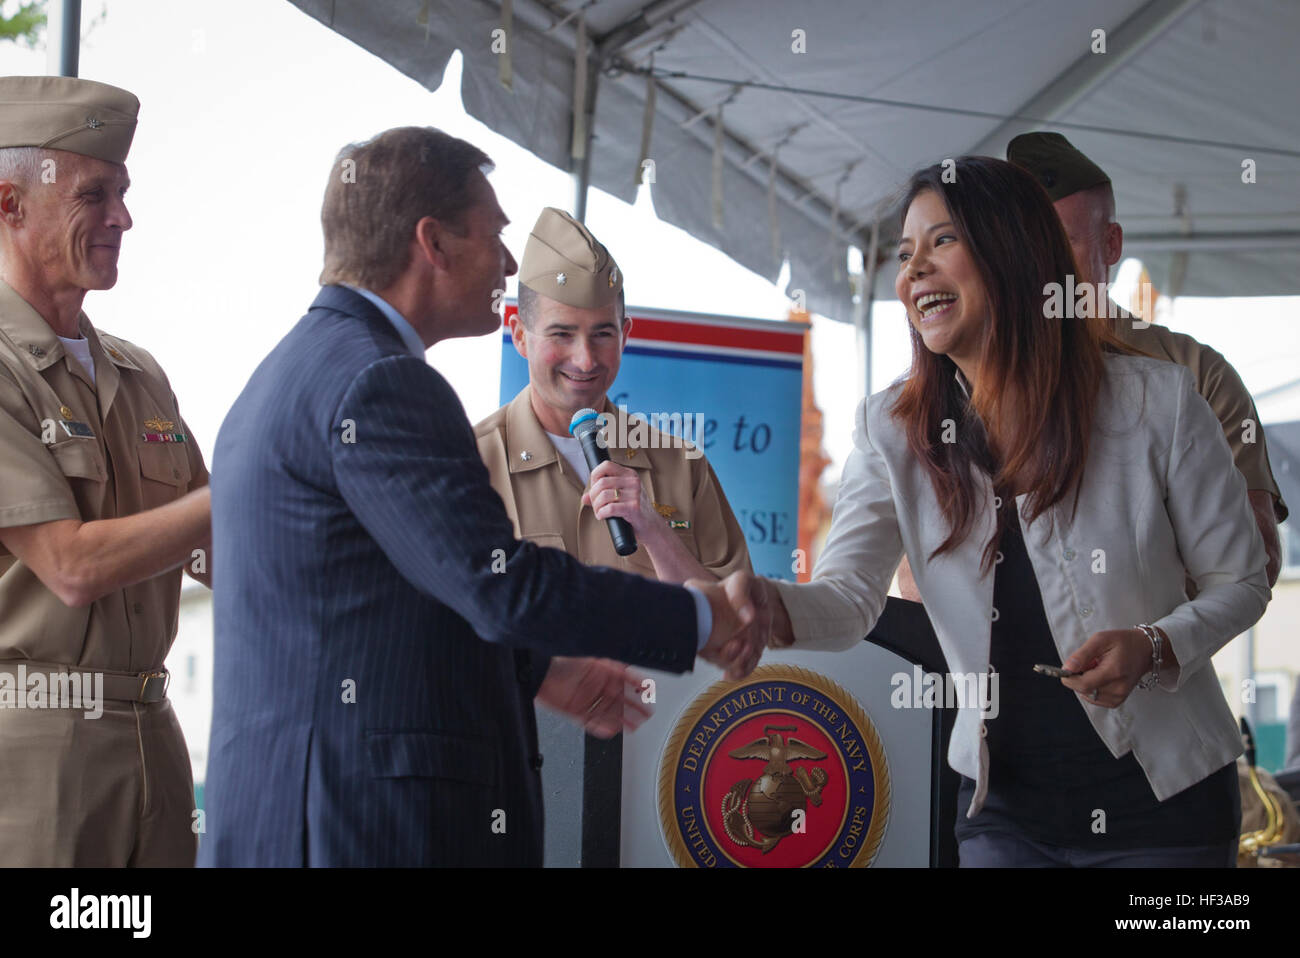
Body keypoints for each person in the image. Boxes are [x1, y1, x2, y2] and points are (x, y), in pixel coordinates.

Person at [199, 127, 764, 868]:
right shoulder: (382, 384)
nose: (504, 261)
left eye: (605, 334)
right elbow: (496, 585)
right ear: (432, 242)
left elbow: (411, 596)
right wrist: (698, 615)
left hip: (296, 816)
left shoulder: (292, 371)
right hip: (358, 823)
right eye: (493, 234)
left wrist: (540, 671)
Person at [760, 156, 1270, 867]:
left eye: (942, 242)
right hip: (1004, 813)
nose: (913, 273)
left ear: (1013, 251)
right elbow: (848, 601)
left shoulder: (1159, 401)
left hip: (1167, 807)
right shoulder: (891, 429)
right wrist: (759, 604)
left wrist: (1154, 646)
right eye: (905, 254)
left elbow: (1243, 582)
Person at [895, 133, 1287, 601]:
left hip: (1150, 664)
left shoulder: (1192, 375)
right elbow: (916, 576)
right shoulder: (957, 376)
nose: (1040, 263)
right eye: (1018, 244)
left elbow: (1255, 559)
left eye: (1061, 241)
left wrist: (1140, 622)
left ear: (1112, 243)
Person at [0, 76, 212, 866]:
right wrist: (254, 482)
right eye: (96, 195)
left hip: (154, 740)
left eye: (122, 193)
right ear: (9, 205)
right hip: (34, 753)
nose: (123, 217)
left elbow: (216, 551)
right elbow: (71, 564)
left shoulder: (140, 376)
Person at [475, 208, 752, 741]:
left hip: (658, 756)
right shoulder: (468, 463)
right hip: (520, 753)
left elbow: (735, 636)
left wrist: (652, 530)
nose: (584, 358)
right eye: (562, 334)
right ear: (519, 335)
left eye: (602, 333)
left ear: (626, 334)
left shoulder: (680, 464)